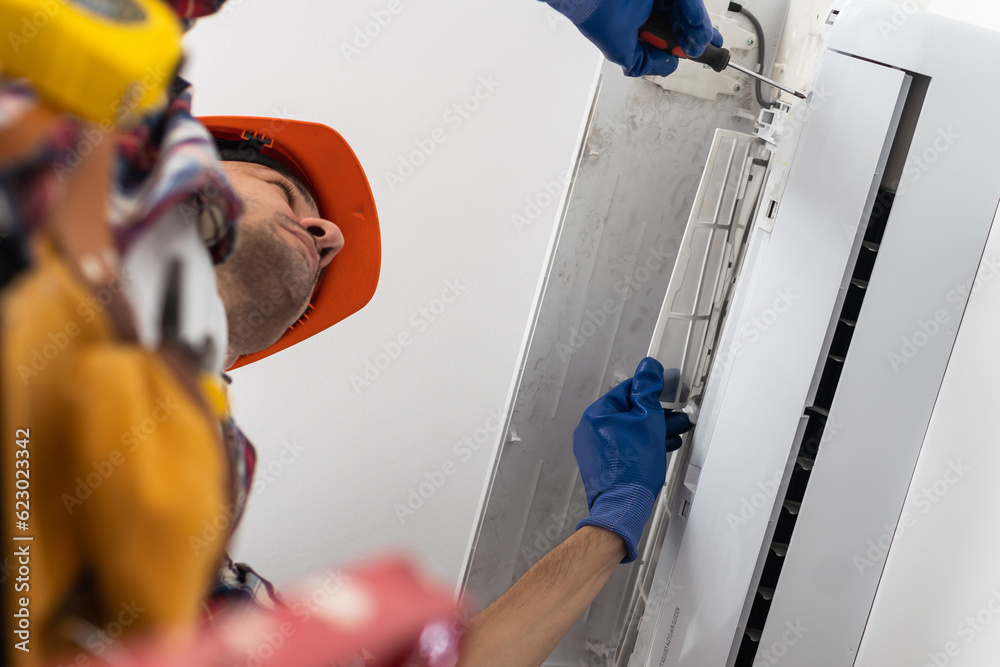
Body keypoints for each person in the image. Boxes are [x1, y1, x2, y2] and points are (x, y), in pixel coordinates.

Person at [0, 0, 715, 663]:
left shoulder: (189, 520)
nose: (330, 232)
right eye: (284, 191)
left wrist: (612, 520)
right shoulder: (59, 147)